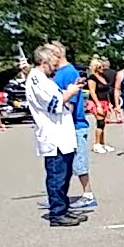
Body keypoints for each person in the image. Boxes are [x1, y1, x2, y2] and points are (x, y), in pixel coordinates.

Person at [26, 45, 86, 227]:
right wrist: (71, 92)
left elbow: (59, 96)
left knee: (65, 174)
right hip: (53, 136)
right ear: (44, 62)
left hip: (62, 134)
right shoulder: (36, 80)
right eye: (53, 63)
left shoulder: (46, 80)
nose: (55, 67)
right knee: (56, 176)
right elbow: (53, 104)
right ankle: (57, 213)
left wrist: (70, 88)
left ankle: (64, 208)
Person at [49, 42, 97, 211]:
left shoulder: (69, 72)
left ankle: (88, 194)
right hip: (65, 125)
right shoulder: (58, 73)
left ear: (58, 54)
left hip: (75, 125)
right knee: (65, 163)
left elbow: (71, 100)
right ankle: (61, 197)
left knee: (79, 162)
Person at [86, 58, 113, 153]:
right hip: (96, 102)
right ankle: (97, 144)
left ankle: (102, 143)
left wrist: (109, 103)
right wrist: (98, 105)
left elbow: (107, 91)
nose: (102, 68)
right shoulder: (92, 78)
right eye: (100, 67)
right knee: (100, 122)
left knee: (103, 123)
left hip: (105, 101)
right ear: (95, 68)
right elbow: (92, 92)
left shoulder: (103, 77)